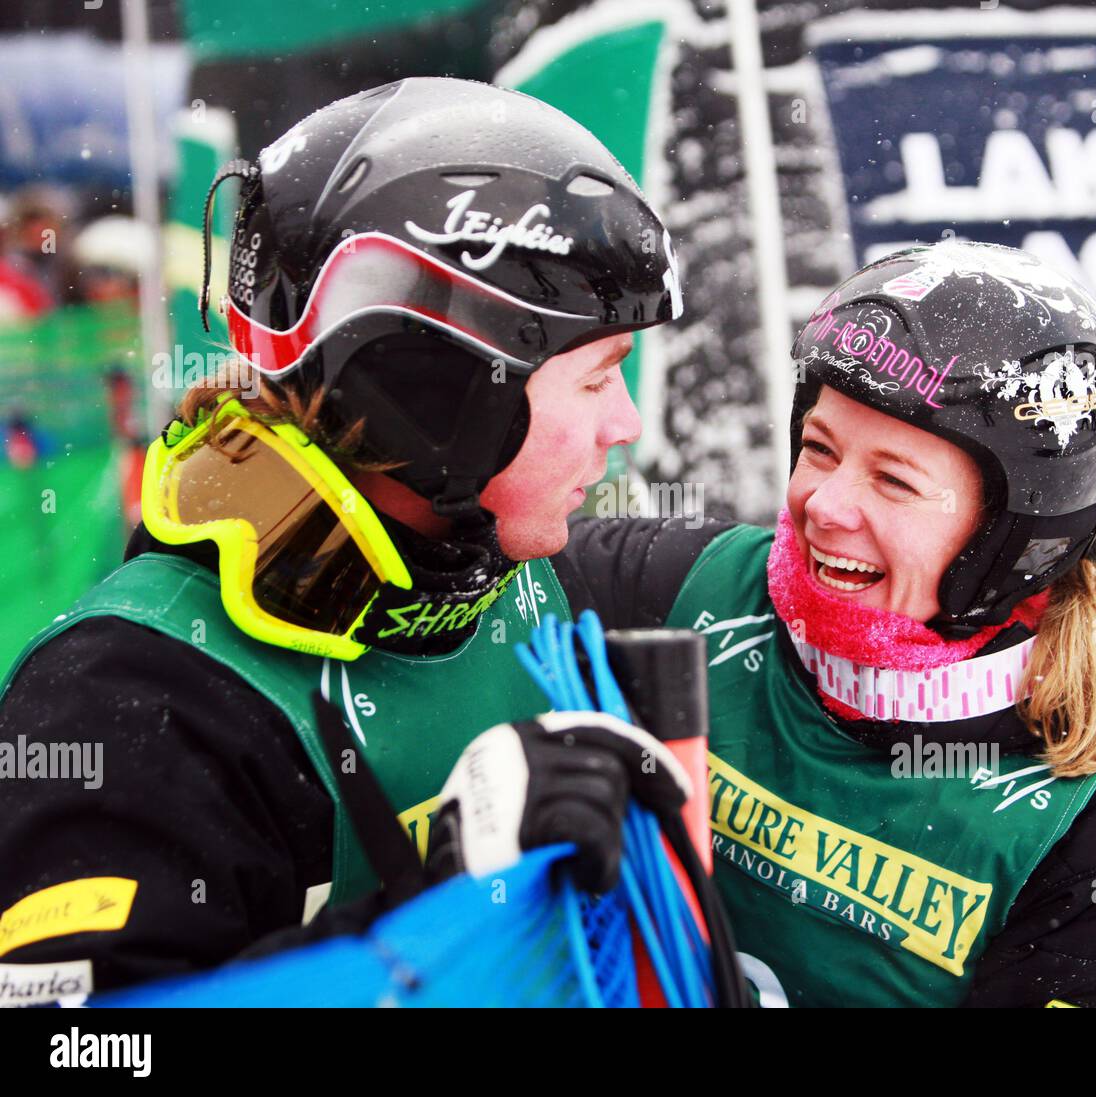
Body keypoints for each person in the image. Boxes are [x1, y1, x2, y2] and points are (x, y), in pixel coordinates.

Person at [0, 77, 688, 1004]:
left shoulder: (528, 573)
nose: (628, 424)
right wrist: (440, 906)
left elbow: (779, 591)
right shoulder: (135, 701)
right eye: (600, 376)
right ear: (443, 391)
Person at [553, 241, 1096, 1007]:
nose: (825, 505)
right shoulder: (681, 587)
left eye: (894, 481)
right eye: (818, 449)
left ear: (1013, 535)